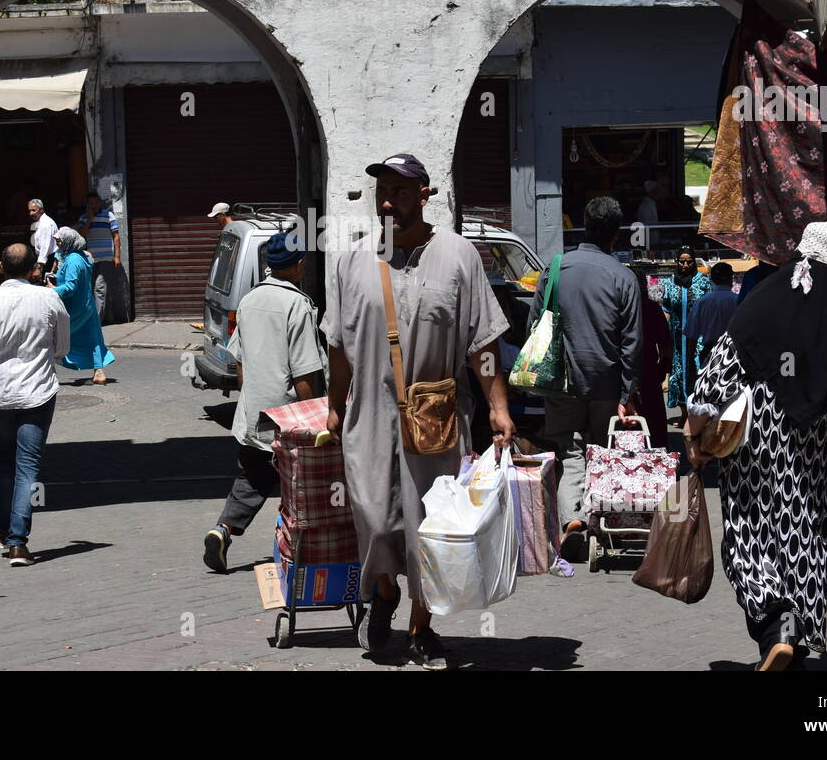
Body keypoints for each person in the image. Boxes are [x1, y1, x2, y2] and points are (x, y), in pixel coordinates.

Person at [323, 152, 515, 670]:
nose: (388, 203)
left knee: (431, 528)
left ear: (425, 195)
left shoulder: (458, 256)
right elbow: (337, 346)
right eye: (382, 193)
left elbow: (482, 341)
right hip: (369, 416)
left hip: (437, 418)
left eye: (401, 193)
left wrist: (498, 406)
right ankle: (385, 590)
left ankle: (421, 628)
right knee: (376, 520)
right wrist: (335, 407)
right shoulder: (351, 261)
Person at [685, 222, 827, 671]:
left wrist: (694, 435)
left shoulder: (763, 300)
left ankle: (777, 629)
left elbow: (716, 376)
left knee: (749, 535)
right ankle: (793, 637)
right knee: (804, 541)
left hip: (753, 450)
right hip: (813, 457)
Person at [526, 197, 642, 561]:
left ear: (583, 226)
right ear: (616, 234)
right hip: (606, 382)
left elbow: (534, 325)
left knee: (569, 450)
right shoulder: (624, 277)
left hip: (561, 380)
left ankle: (572, 519)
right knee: (602, 452)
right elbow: (632, 342)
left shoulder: (556, 268)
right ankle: (599, 525)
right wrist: (628, 393)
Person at [203, 231, 325, 573]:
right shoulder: (297, 305)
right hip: (287, 417)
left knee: (254, 475)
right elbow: (304, 371)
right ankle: (297, 549)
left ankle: (223, 529)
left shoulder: (250, 300)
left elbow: (240, 361)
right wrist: (314, 419)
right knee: (300, 485)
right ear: (299, 264)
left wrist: (249, 400)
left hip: (253, 412)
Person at [0, 243, 71, 568]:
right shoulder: (49, 299)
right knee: (28, 466)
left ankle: (5, 528)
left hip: (0, 396)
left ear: (1, 267)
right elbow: (62, 347)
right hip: (38, 393)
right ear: (34, 270)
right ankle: (17, 543)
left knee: (5, 460)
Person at [50, 227, 115, 386]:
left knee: (56, 338)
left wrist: (51, 290)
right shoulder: (81, 256)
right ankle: (99, 372)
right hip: (86, 305)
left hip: (75, 308)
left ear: (69, 241)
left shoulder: (73, 260)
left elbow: (70, 287)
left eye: (60, 241)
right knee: (92, 338)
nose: (58, 245)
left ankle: (46, 371)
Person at [658, 246, 712, 414]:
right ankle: (683, 412)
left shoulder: (704, 281)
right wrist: (661, 333)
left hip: (698, 337)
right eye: (682, 261)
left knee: (696, 370)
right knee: (679, 372)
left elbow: (709, 307)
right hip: (677, 338)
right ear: (677, 262)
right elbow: (666, 308)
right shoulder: (670, 283)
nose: (685, 265)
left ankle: (696, 413)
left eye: (689, 261)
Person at [634, 268, 672, 450]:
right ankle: (656, 453)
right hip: (649, 369)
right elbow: (665, 343)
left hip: (631, 369)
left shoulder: (621, 308)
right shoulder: (651, 307)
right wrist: (663, 366)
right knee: (653, 416)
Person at [76, 191, 124, 323]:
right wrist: (90, 218)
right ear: (87, 205)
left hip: (105, 258)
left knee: (100, 288)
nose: (94, 206)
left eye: (96, 203)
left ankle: (96, 321)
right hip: (89, 259)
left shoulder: (109, 216)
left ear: (99, 203)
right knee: (89, 289)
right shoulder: (83, 218)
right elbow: (82, 236)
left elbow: (116, 236)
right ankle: (93, 318)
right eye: (91, 204)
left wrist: (117, 256)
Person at [683, 261, 739, 367]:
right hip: (733, 355)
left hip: (710, 355)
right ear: (731, 279)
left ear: (712, 279)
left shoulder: (702, 302)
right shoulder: (739, 301)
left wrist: (689, 360)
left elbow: (691, 335)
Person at [28, 198, 58, 280]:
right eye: (29, 211)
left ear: (41, 210)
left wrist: (39, 267)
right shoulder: (40, 222)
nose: (31, 213)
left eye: (34, 210)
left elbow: (45, 246)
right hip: (44, 260)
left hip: (48, 260)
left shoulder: (46, 224)